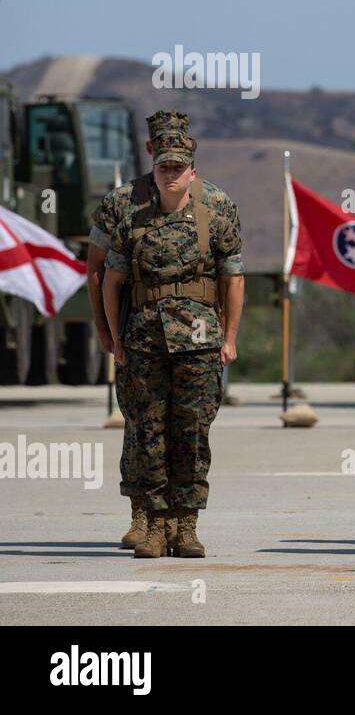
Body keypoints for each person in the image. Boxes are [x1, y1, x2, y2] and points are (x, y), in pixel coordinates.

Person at [102, 127, 244, 559]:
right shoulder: (132, 224)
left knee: (192, 433)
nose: (170, 175)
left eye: (178, 168)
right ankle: (155, 524)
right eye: (163, 167)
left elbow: (233, 281)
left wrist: (230, 339)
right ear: (154, 169)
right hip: (144, 342)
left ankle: (186, 525)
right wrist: (114, 337)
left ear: (191, 172)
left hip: (199, 345)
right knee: (148, 433)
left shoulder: (215, 222)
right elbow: (111, 283)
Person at [87, 110, 187, 550]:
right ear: (150, 149)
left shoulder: (202, 201)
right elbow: (96, 272)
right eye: (162, 147)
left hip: (188, 337)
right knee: (140, 426)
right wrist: (106, 331)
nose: (169, 156)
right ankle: (142, 516)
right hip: (136, 328)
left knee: (183, 427)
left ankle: (173, 521)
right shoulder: (119, 203)